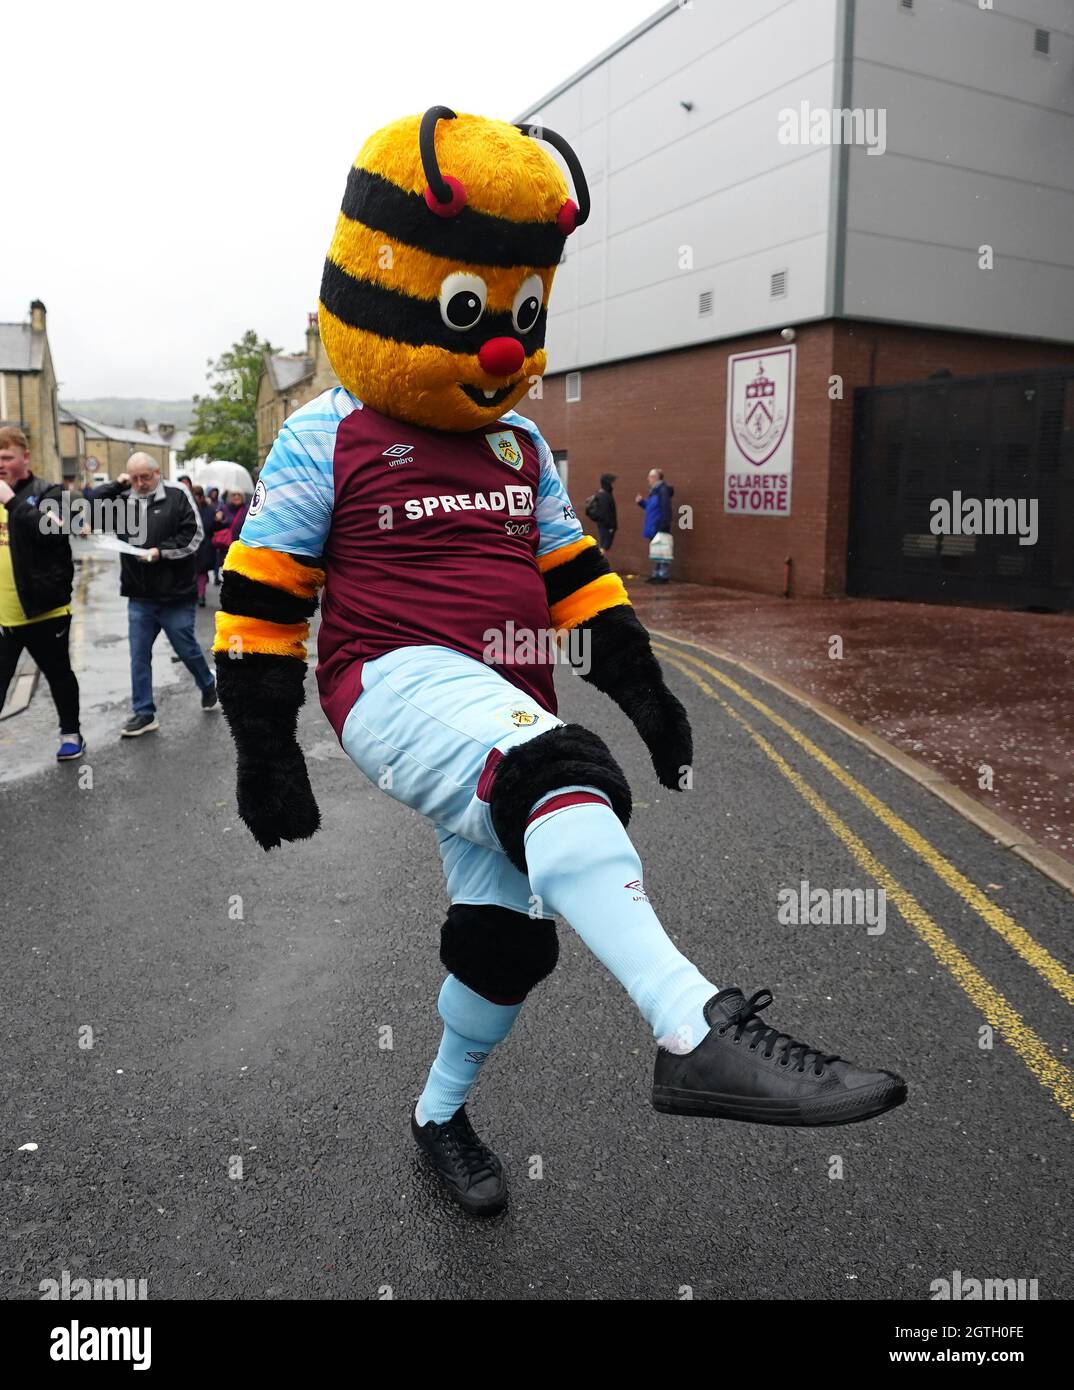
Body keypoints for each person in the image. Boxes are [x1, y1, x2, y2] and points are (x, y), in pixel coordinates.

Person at [212, 109, 905, 1218]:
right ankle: (694, 1027)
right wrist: (262, 750)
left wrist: (648, 693)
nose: (498, 342)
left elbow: (574, 573)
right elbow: (262, 588)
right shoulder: (327, 433)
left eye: (519, 314)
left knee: (507, 945)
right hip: (388, 681)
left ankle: (437, 1116)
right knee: (563, 778)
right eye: (470, 311)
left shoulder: (519, 444)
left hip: (499, 697)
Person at [94, 452, 217, 736]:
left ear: (157, 473)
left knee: (185, 648)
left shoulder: (178, 495)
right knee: (139, 655)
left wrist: (160, 553)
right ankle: (144, 712)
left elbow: (194, 536)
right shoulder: (123, 499)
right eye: (134, 478)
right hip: (140, 595)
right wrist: (117, 484)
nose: (140, 483)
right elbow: (92, 505)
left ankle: (207, 683)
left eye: (145, 477)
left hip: (175, 593)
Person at [0, 426, 84, 759]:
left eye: (7, 456)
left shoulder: (48, 493)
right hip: (5, 615)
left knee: (59, 676)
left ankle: (71, 733)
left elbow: (51, 533)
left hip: (44, 611)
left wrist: (11, 500)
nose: (1, 463)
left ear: (25, 457)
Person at [636, 468, 675, 583]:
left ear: (656, 478)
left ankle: (662, 575)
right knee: (656, 550)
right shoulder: (654, 491)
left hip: (659, 525)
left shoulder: (662, 491)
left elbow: (665, 509)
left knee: (662, 550)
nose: (648, 479)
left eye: (650, 476)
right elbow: (651, 507)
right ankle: (656, 574)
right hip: (653, 525)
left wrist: (663, 524)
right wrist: (641, 502)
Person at [191, 484, 217, 607]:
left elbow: (212, 527)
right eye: (194, 496)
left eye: (198, 496)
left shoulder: (210, 510)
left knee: (201, 571)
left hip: (205, 545)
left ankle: (201, 595)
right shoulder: (187, 507)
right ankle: (197, 592)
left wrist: (218, 520)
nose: (196, 499)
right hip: (191, 545)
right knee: (195, 572)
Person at [585, 472, 618, 551]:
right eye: (611, 483)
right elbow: (606, 513)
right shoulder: (604, 496)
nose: (613, 485)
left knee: (604, 547)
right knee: (603, 547)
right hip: (606, 526)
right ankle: (597, 562)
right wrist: (611, 527)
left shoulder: (605, 494)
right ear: (607, 483)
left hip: (605, 525)